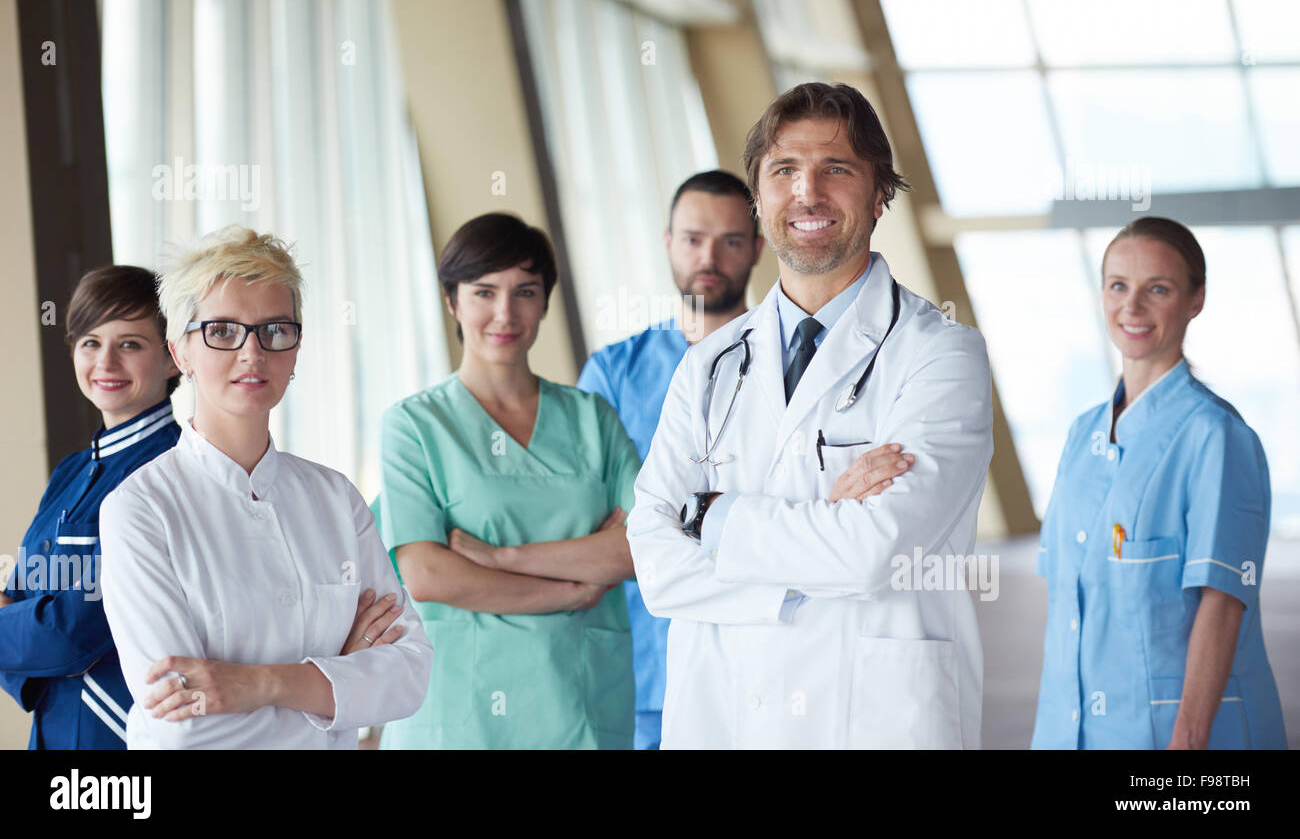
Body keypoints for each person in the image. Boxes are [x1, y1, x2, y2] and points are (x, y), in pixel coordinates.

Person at [627, 82, 994, 749]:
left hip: (877, 719)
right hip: (725, 716)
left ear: (881, 193)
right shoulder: (708, 367)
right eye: (785, 171)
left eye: (837, 169)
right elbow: (655, 563)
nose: (808, 192)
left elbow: (875, 548)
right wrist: (825, 528)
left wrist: (712, 514)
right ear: (759, 197)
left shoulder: (940, 353)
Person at [99, 226, 432, 748]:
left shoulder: (335, 498)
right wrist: (337, 678)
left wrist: (256, 684)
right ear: (179, 353)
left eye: (275, 330)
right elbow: (181, 726)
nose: (253, 353)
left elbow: (409, 675)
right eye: (223, 331)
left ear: (295, 350)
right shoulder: (139, 509)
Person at [377, 213, 640, 749]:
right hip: (460, 714)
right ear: (452, 301)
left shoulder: (593, 420)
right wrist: (573, 590)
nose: (505, 313)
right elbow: (427, 573)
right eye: (483, 292)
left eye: (525, 291)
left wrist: (501, 560)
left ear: (545, 302)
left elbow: (641, 549)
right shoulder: (414, 426)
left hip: (579, 706)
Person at [1032, 217, 1286, 749]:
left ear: (1195, 300)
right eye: (1118, 286)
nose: (1133, 307)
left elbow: (1222, 601)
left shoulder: (1216, 437)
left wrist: (1186, 745)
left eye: (1159, 289)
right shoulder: (1083, 436)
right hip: (1071, 731)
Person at [577, 169, 764, 749]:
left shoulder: (790, 365)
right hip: (642, 668)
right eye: (692, 239)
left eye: (730, 241)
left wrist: (652, 523)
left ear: (758, 248)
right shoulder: (615, 371)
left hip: (762, 644)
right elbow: (594, 522)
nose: (709, 256)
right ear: (667, 243)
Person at [0, 267, 182, 748]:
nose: (106, 362)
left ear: (173, 359)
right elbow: (21, 594)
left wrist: (38, 639)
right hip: (52, 730)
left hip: (119, 735)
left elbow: (73, 633)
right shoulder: (71, 471)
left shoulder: (172, 472)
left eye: (130, 344)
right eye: (90, 342)